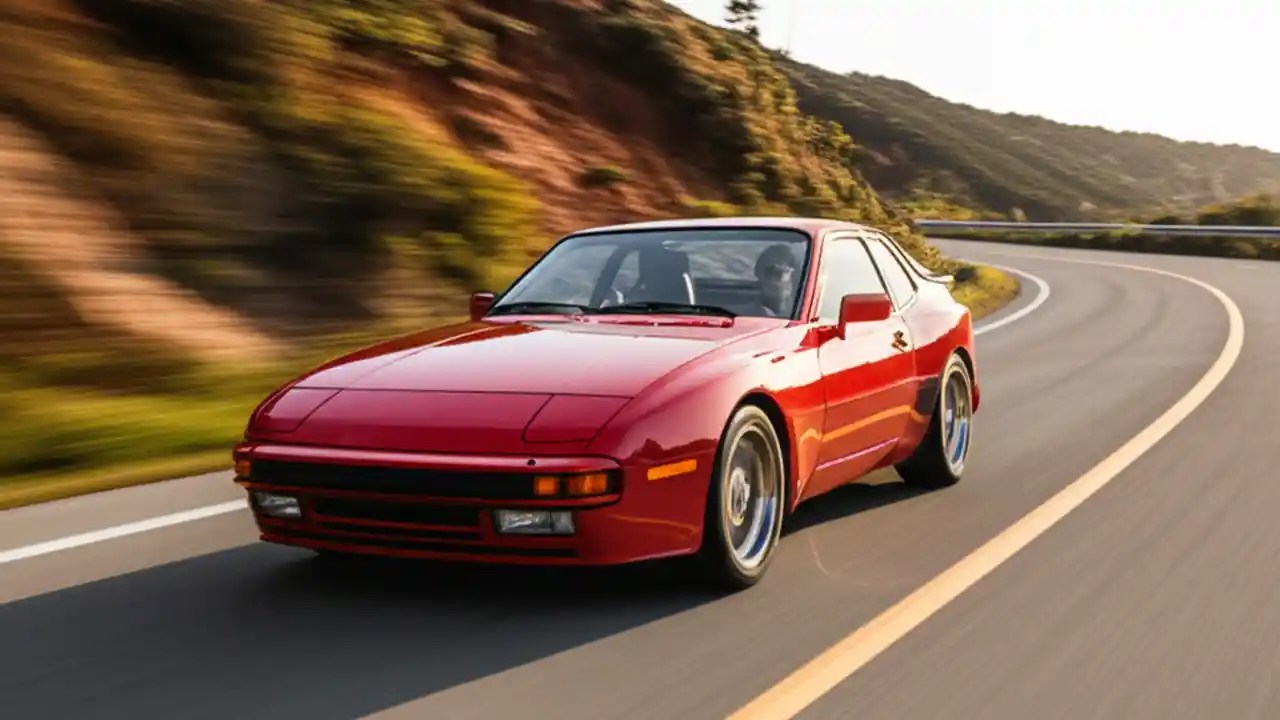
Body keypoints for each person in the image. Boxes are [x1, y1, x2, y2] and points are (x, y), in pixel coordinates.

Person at [751, 243, 799, 316]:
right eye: (769, 272)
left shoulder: (804, 312)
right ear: (759, 273)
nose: (773, 281)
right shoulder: (740, 314)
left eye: (780, 273)